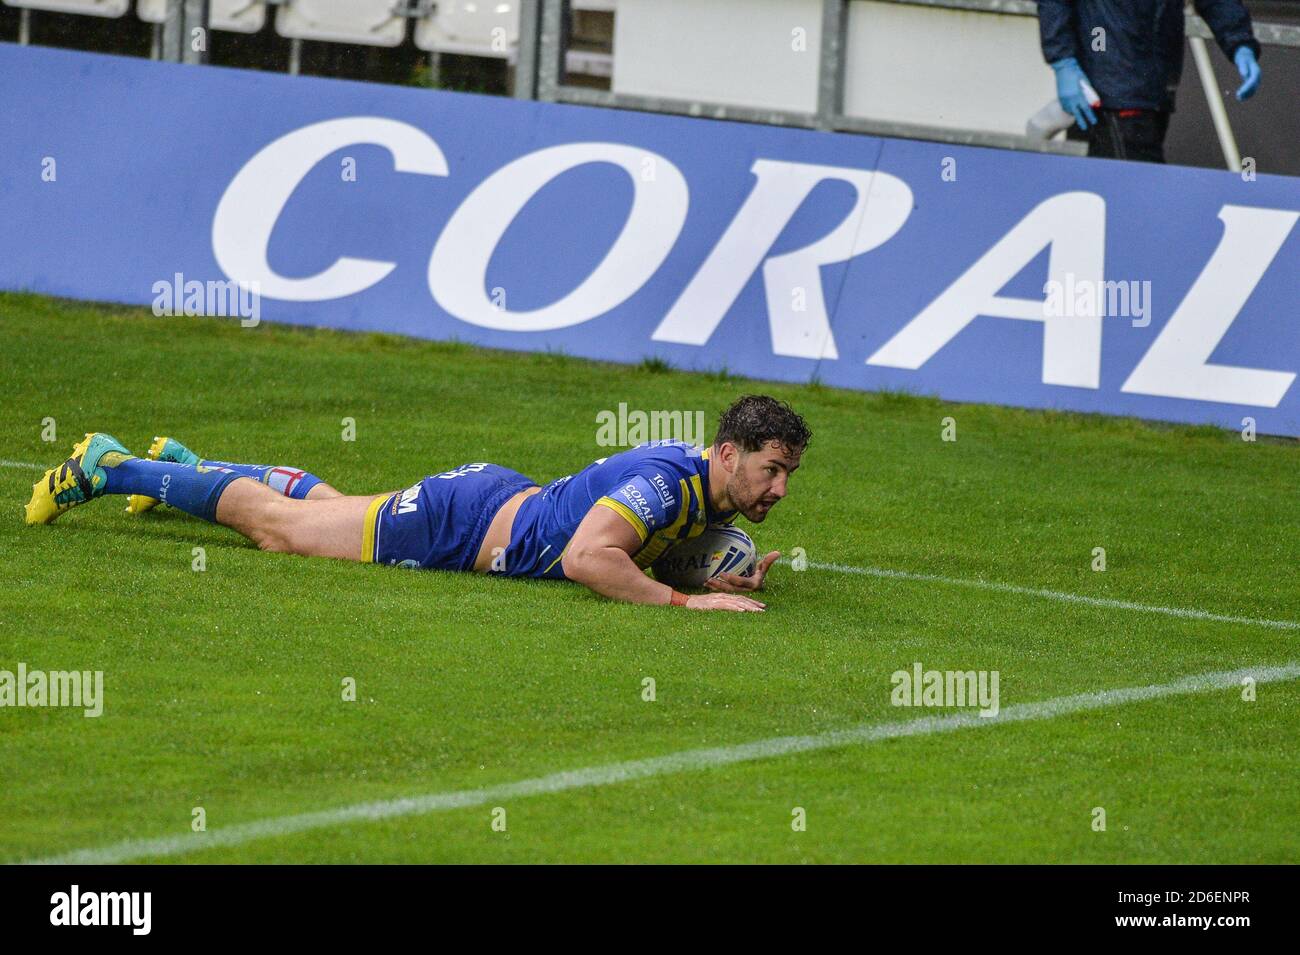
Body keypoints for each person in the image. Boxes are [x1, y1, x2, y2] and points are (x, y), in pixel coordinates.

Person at [23, 395, 810, 612]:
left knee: (334, 506)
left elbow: (634, 539)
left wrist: (714, 576)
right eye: (772, 470)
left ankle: (193, 468)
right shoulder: (666, 481)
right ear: (729, 453)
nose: (778, 489)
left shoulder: (706, 490)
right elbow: (585, 558)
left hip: (488, 501)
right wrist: (683, 601)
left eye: (788, 478)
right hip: (459, 523)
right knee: (283, 532)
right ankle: (109, 467)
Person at [1038, 0, 1262, 163]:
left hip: (1148, 91)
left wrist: (1240, 43)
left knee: (1114, 199)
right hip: (1110, 94)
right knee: (1130, 197)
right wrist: (1062, 60)